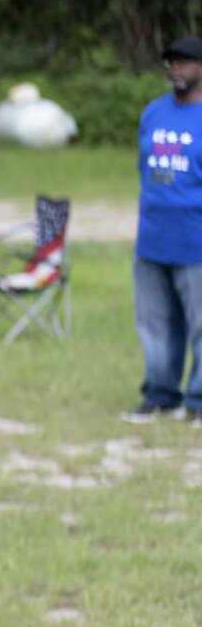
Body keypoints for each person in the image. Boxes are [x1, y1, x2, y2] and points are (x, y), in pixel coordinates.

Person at [125, 36, 202, 423]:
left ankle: (198, 401)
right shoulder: (153, 114)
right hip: (153, 237)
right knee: (155, 325)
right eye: (172, 63)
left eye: (185, 63)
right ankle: (160, 395)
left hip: (197, 239)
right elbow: (145, 173)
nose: (176, 70)